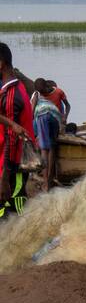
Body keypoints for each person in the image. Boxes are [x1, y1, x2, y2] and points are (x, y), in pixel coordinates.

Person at [0, 43, 37, 217]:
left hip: (13, 164)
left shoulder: (12, 96)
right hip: (9, 162)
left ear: (1, 63)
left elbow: (11, 138)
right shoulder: (14, 88)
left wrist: (4, 177)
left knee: (15, 208)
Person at [32, 79, 62, 190]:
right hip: (55, 115)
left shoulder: (35, 94)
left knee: (44, 149)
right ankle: (50, 179)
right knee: (52, 147)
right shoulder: (50, 96)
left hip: (43, 114)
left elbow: (31, 112)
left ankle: (46, 183)